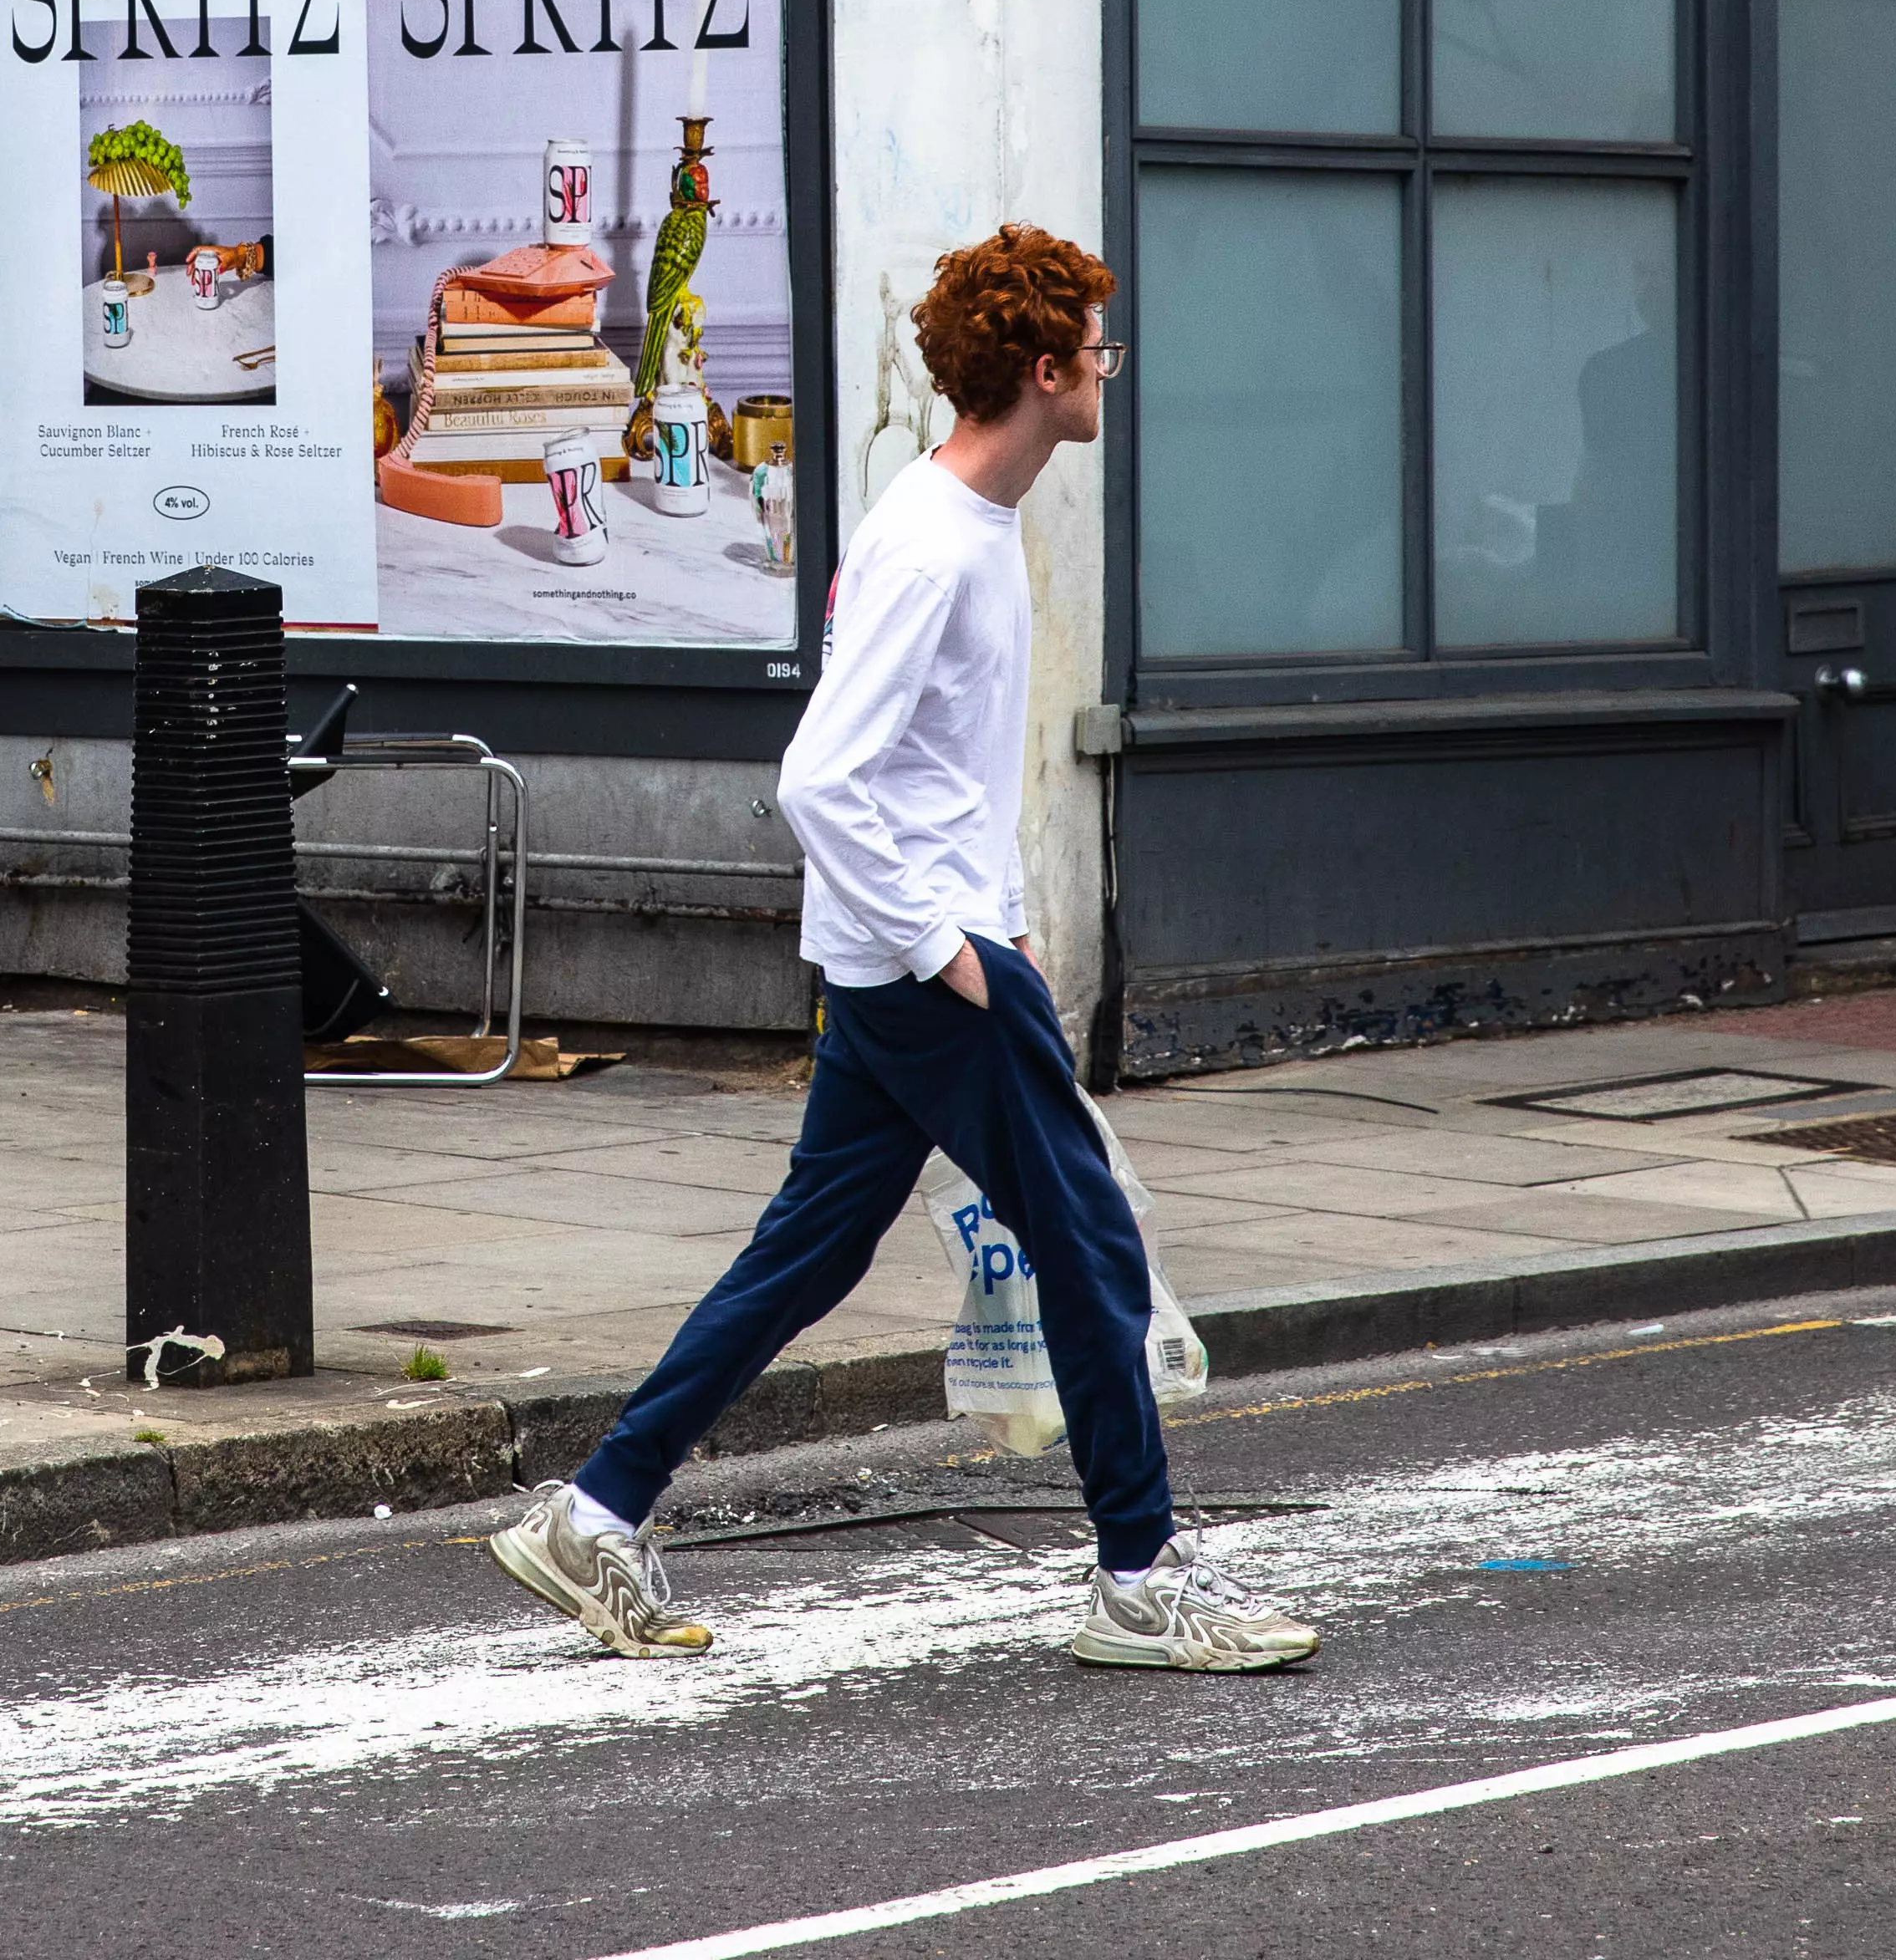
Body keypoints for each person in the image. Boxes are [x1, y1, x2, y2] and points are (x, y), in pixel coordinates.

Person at [487, 224, 1315, 1674]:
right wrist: (951, 948)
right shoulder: (937, 548)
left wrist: (974, 923)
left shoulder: (953, 528)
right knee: (1093, 1247)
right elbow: (822, 779)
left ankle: (599, 1507)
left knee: (807, 1255)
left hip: (904, 965)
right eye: (1095, 353)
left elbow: (924, 778)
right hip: (928, 979)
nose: (1107, 374)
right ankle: (1139, 1573)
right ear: (1046, 373)